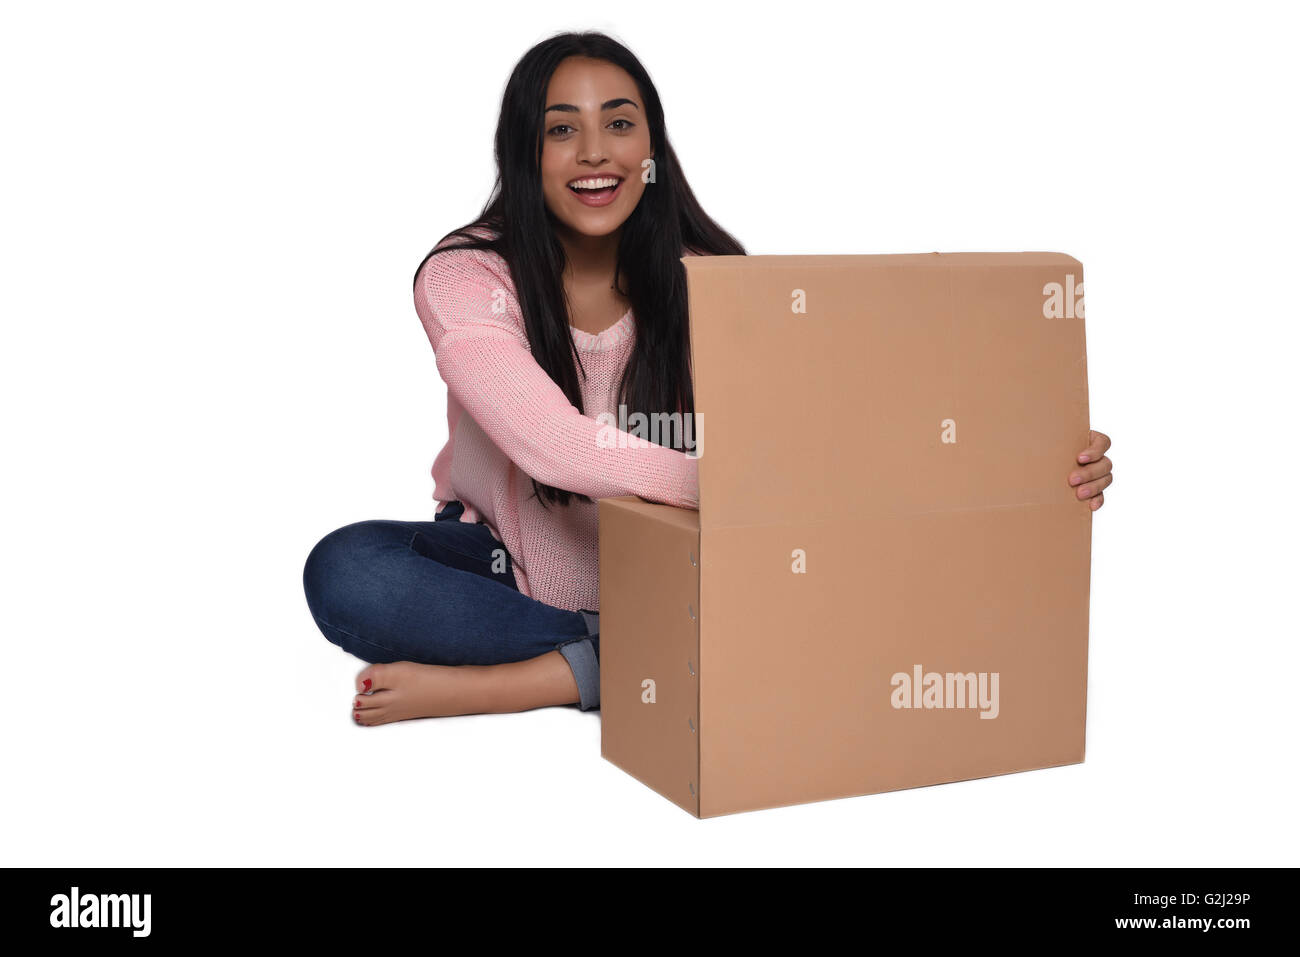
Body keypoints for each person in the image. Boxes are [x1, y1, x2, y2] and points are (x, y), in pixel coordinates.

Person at [302, 31, 1114, 727]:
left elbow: (845, 417)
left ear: (650, 147)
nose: (595, 152)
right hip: (508, 564)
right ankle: (632, 656)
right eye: (561, 130)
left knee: (838, 567)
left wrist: (1032, 462)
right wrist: (743, 486)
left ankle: (552, 676)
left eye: (619, 124)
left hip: (683, 562)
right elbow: (552, 445)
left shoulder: (712, 278)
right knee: (348, 570)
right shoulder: (467, 274)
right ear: (524, 151)